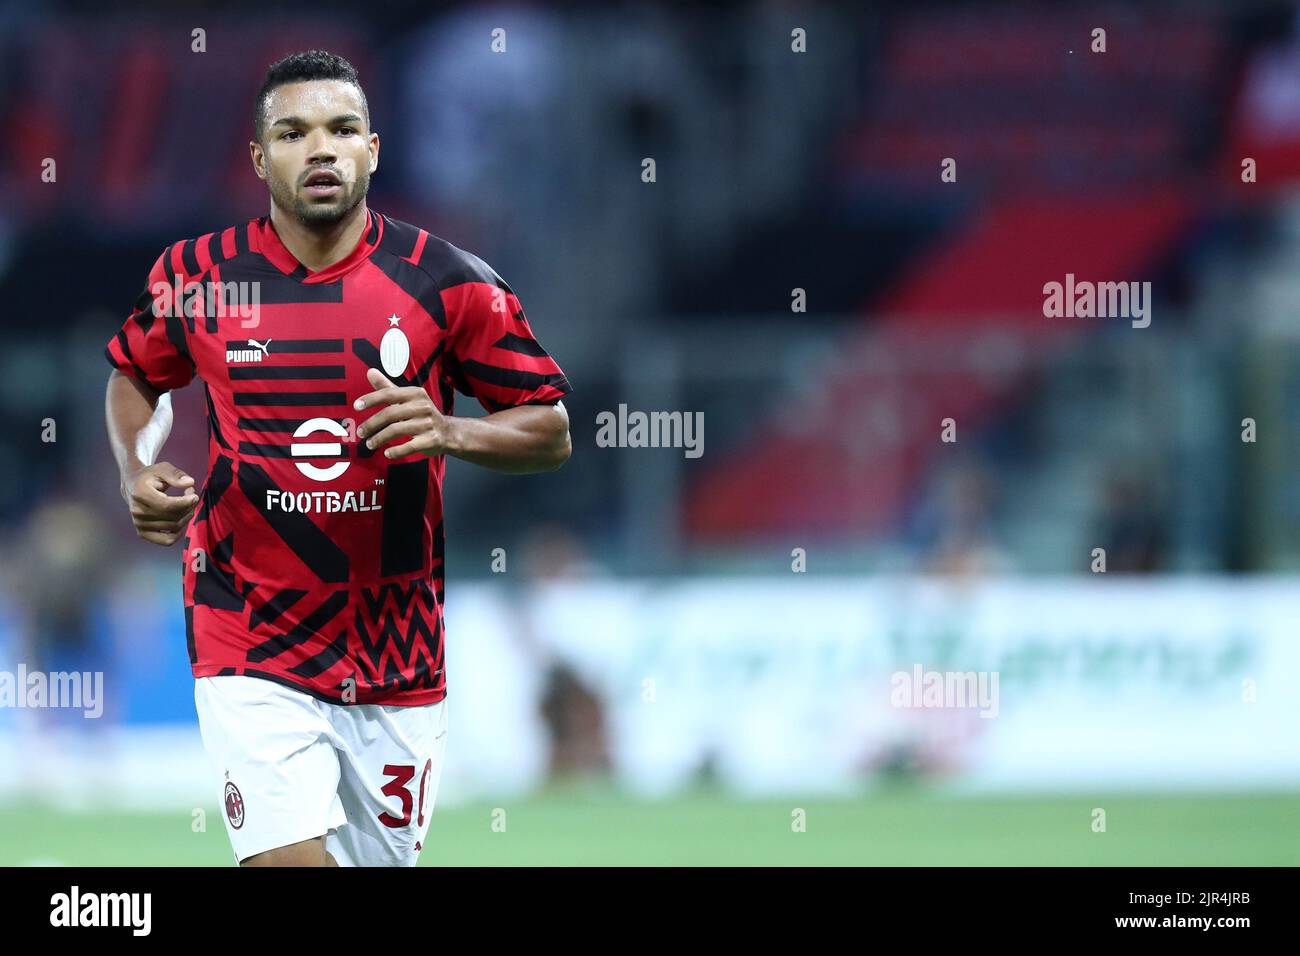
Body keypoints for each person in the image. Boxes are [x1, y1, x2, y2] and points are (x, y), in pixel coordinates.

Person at [103, 50, 572, 866]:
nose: (321, 149)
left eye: (342, 129)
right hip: (247, 631)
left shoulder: (450, 284)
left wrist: (450, 430)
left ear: (373, 149)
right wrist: (134, 469)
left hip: (397, 652)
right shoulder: (201, 279)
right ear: (259, 157)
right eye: (293, 132)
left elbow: (549, 428)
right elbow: (135, 376)